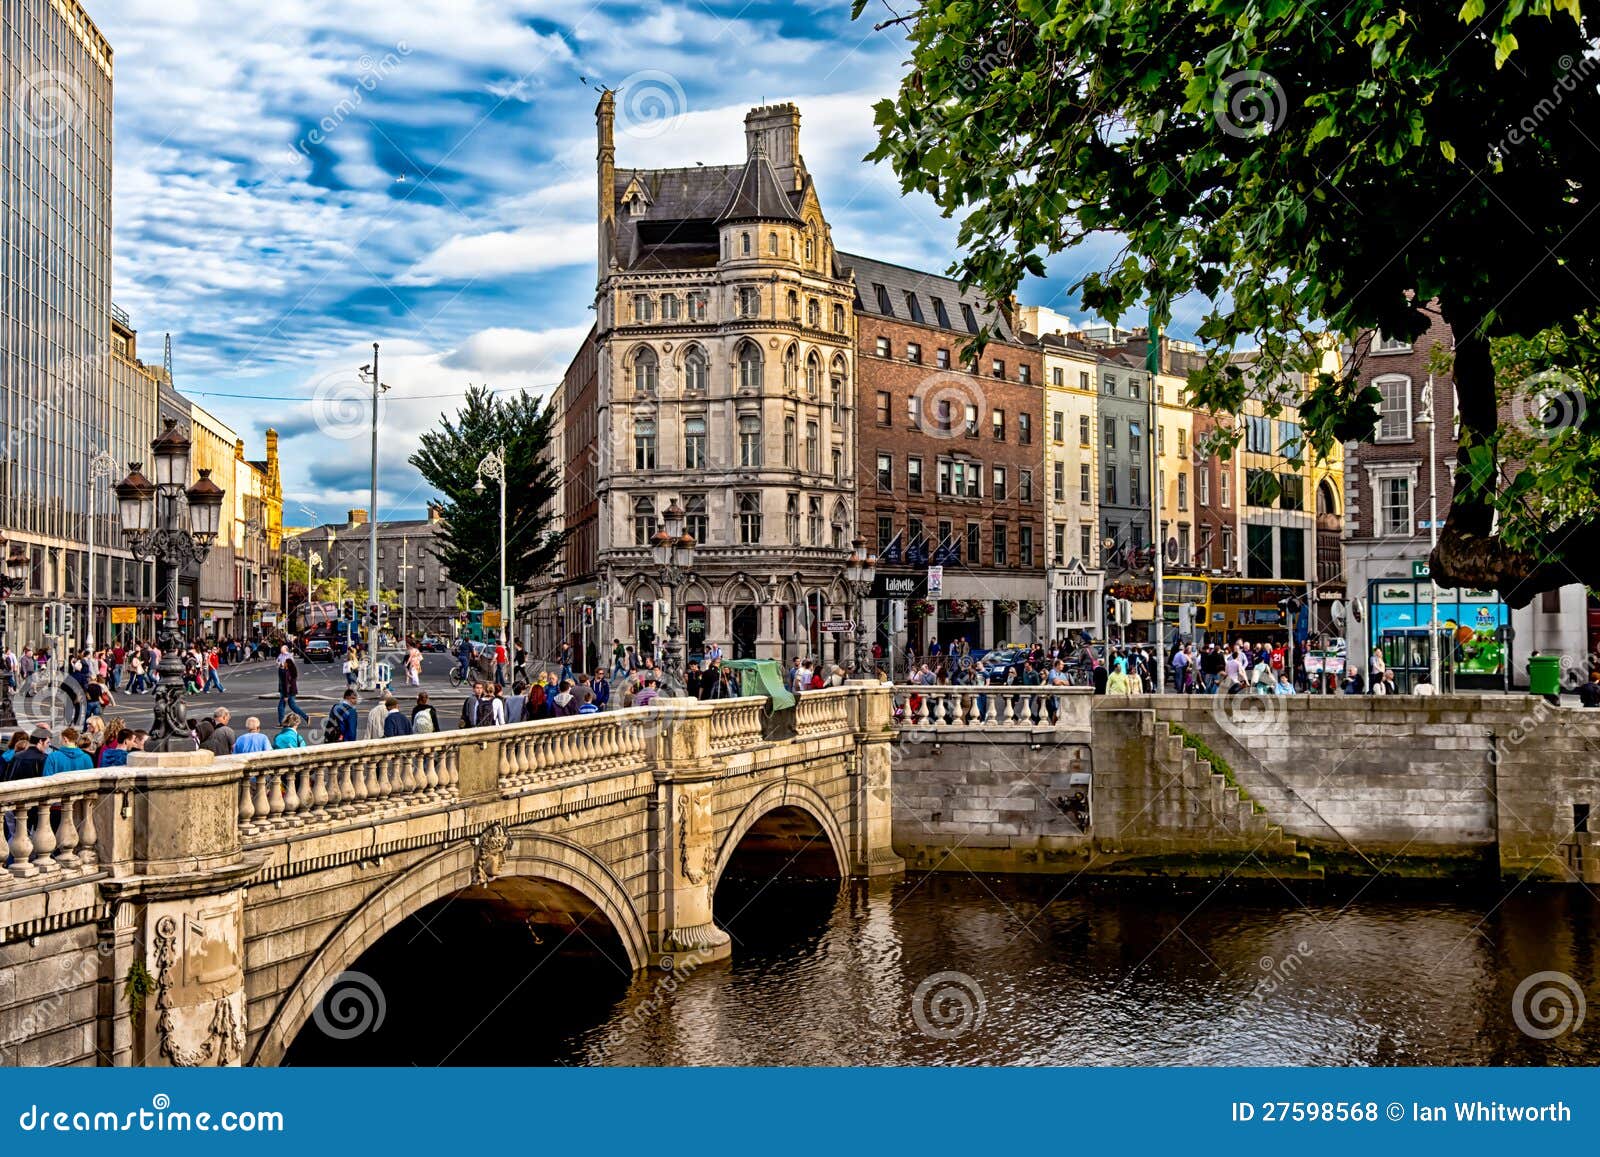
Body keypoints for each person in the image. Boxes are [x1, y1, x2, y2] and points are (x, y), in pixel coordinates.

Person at [277, 647, 306, 724]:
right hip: (291, 691)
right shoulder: (290, 670)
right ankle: (306, 717)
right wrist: (280, 666)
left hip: (288, 692)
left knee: (280, 707)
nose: (283, 663)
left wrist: (286, 695)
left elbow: (286, 684)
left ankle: (281, 723)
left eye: (285, 663)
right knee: (293, 706)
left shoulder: (287, 672)